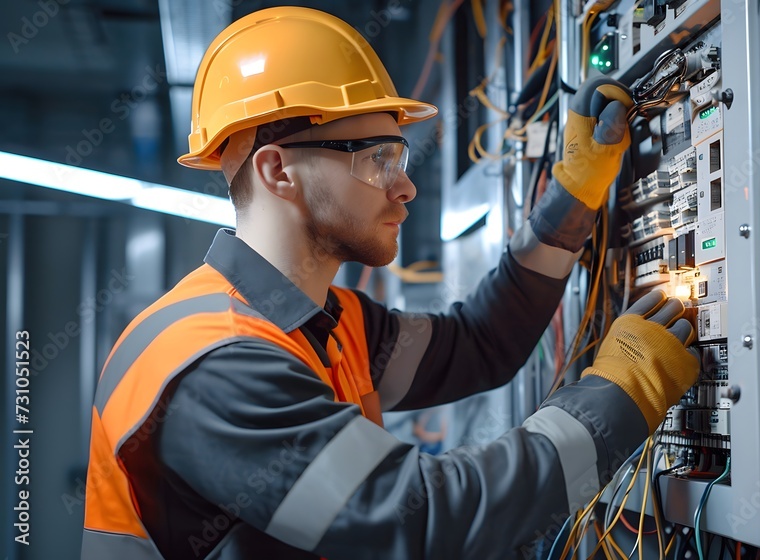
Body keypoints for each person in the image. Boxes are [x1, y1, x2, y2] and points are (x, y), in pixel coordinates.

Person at [81, 6, 699, 559]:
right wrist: (619, 398)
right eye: (377, 158)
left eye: (398, 156)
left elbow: (479, 343)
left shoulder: (324, 323)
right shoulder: (213, 362)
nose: (404, 186)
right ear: (278, 172)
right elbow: (419, 520)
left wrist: (567, 208)